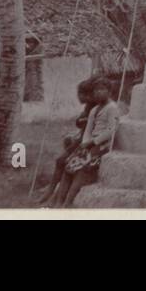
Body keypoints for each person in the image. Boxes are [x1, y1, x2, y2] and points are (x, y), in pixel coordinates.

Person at [52, 77, 121, 207]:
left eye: (102, 90)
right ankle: (58, 202)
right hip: (89, 144)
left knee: (80, 171)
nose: (98, 93)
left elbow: (111, 130)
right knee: (68, 166)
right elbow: (88, 128)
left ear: (109, 92)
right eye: (96, 90)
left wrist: (93, 143)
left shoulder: (112, 108)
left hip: (102, 145)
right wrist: (84, 143)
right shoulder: (94, 110)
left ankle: (67, 203)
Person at [37, 78, 97, 206]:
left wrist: (72, 148)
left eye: (81, 94)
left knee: (61, 160)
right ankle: (51, 191)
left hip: (87, 144)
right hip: (81, 140)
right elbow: (79, 123)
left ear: (89, 95)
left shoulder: (94, 109)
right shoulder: (88, 107)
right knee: (61, 159)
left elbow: (85, 133)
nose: (79, 97)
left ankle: (52, 193)